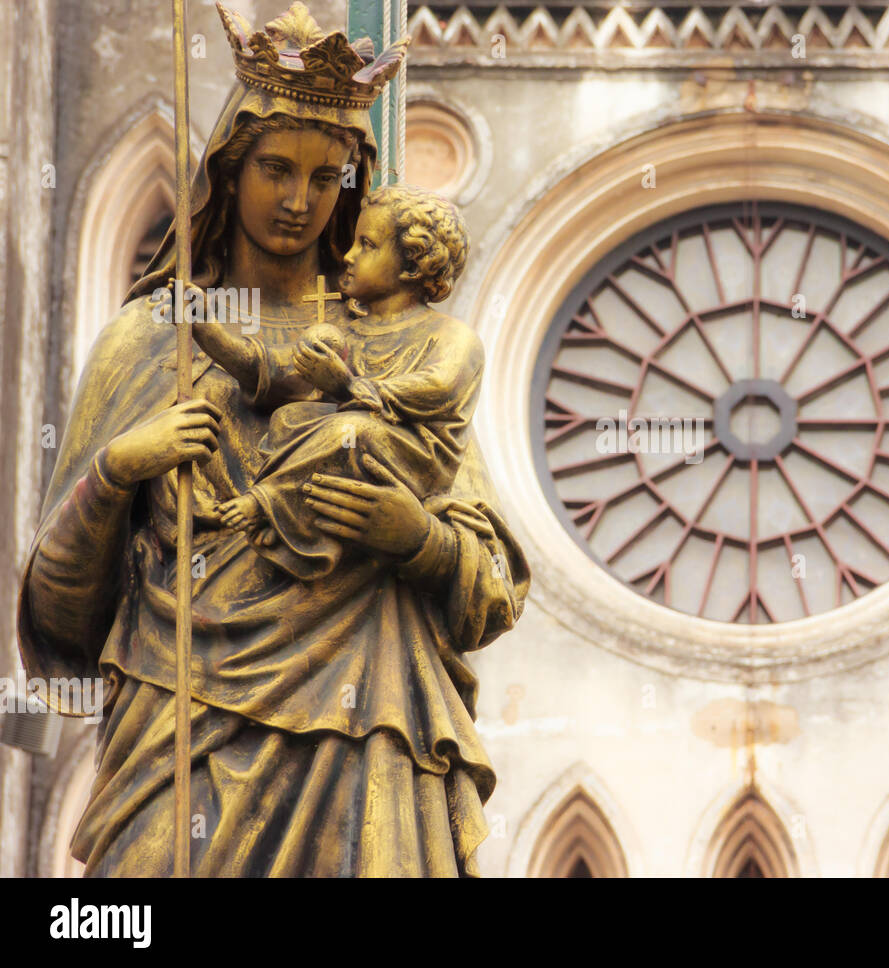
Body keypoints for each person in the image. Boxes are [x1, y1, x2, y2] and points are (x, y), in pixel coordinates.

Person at [16, 2, 528, 876]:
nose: (298, 202)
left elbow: (489, 586)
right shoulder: (152, 340)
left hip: (368, 723)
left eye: (326, 179)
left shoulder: (396, 339)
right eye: (275, 169)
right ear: (230, 168)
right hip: (178, 726)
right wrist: (113, 474)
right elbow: (60, 620)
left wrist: (418, 541)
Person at [192, 184, 483, 581]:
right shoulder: (344, 329)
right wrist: (204, 328)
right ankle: (296, 513)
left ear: (412, 267)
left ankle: (266, 503)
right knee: (288, 420)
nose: (348, 256)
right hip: (354, 446)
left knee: (352, 428)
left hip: (414, 456)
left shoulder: (451, 336)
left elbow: (438, 388)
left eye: (366, 245)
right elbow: (277, 372)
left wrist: (348, 387)